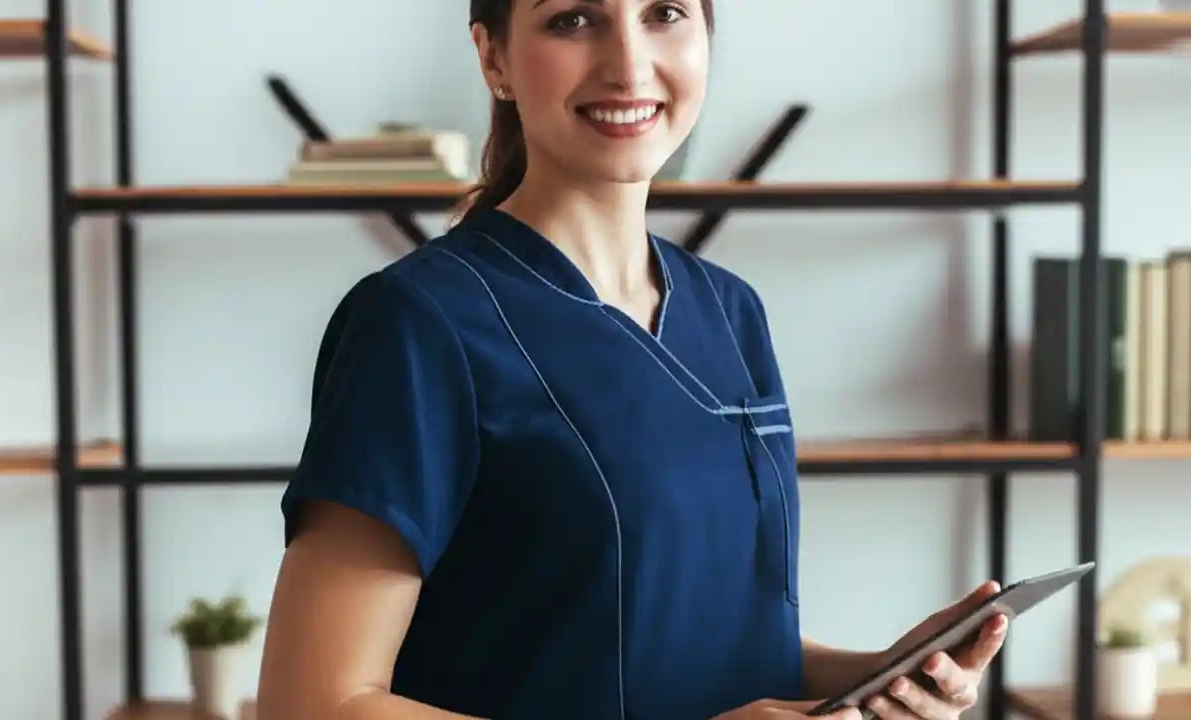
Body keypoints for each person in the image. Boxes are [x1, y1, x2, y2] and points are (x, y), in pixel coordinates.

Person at [255, 1, 1008, 718]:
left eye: (665, 15)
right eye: (573, 19)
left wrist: (882, 676)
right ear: (494, 58)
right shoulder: (421, 322)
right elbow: (314, 703)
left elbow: (695, 645)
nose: (629, 63)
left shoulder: (729, 310)